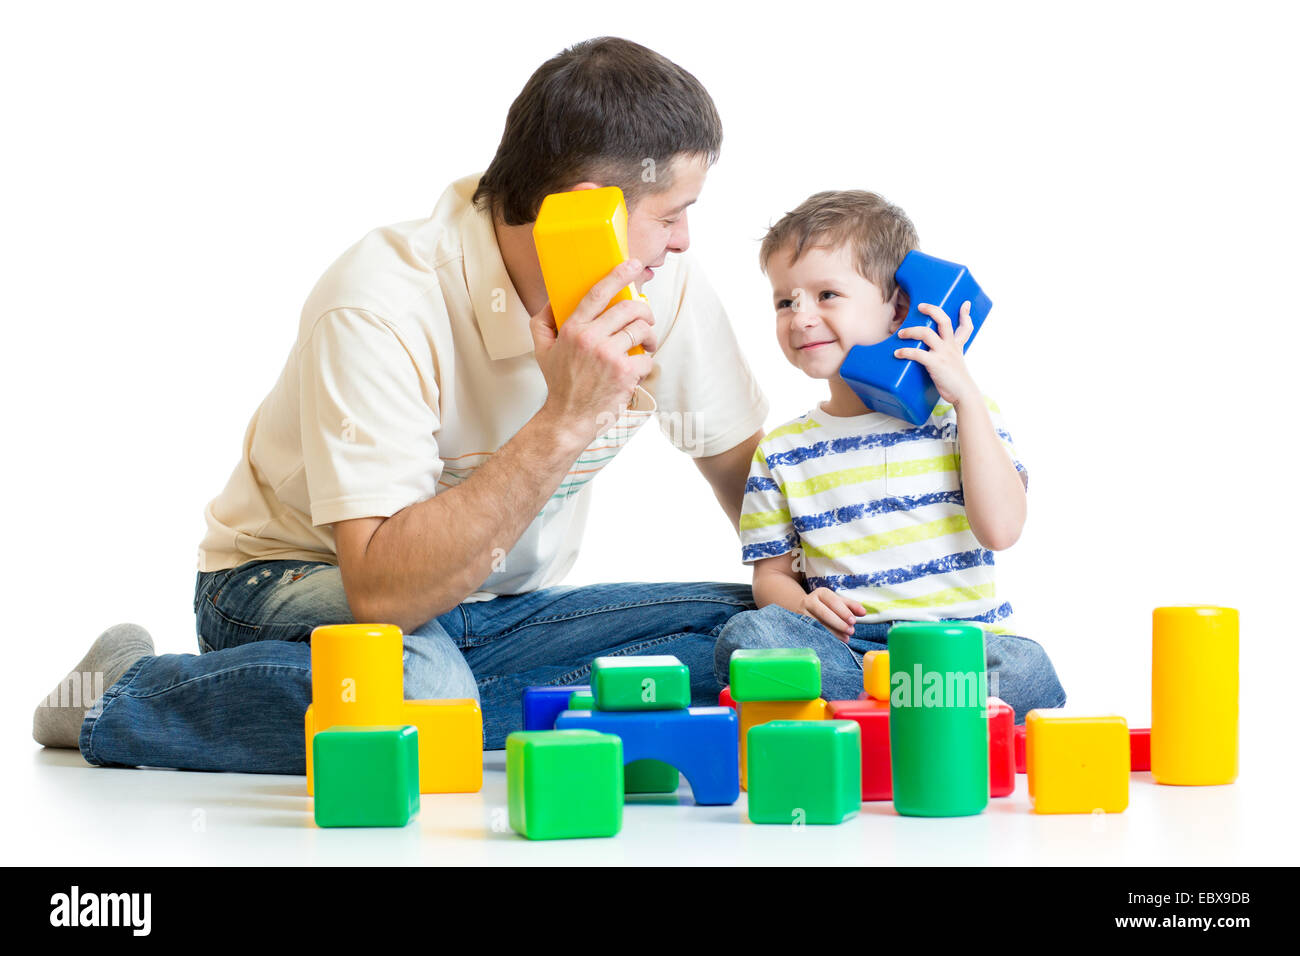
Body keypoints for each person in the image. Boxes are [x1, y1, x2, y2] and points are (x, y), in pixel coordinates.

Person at [33, 36, 770, 771]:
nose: (684, 241)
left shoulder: (658, 284)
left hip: (478, 609)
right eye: (672, 214)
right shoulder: (381, 302)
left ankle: (433, 699)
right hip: (287, 582)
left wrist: (833, 573)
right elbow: (383, 592)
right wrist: (565, 419)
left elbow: (744, 469)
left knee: (752, 633)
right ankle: (122, 691)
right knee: (425, 698)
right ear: (590, 212)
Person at [713, 190, 1066, 720]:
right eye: (785, 301)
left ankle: (876, 711)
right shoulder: (782, 450)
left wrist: (965, 397)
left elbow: (1002, 531)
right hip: (851, 644)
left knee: (1026, 669)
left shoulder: (962, 418)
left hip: (959, 645)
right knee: (748, 634)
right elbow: (771, 577)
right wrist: (804, 603)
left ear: (899, 307)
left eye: (827, 294)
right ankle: (914, 712)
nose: (800, 317)